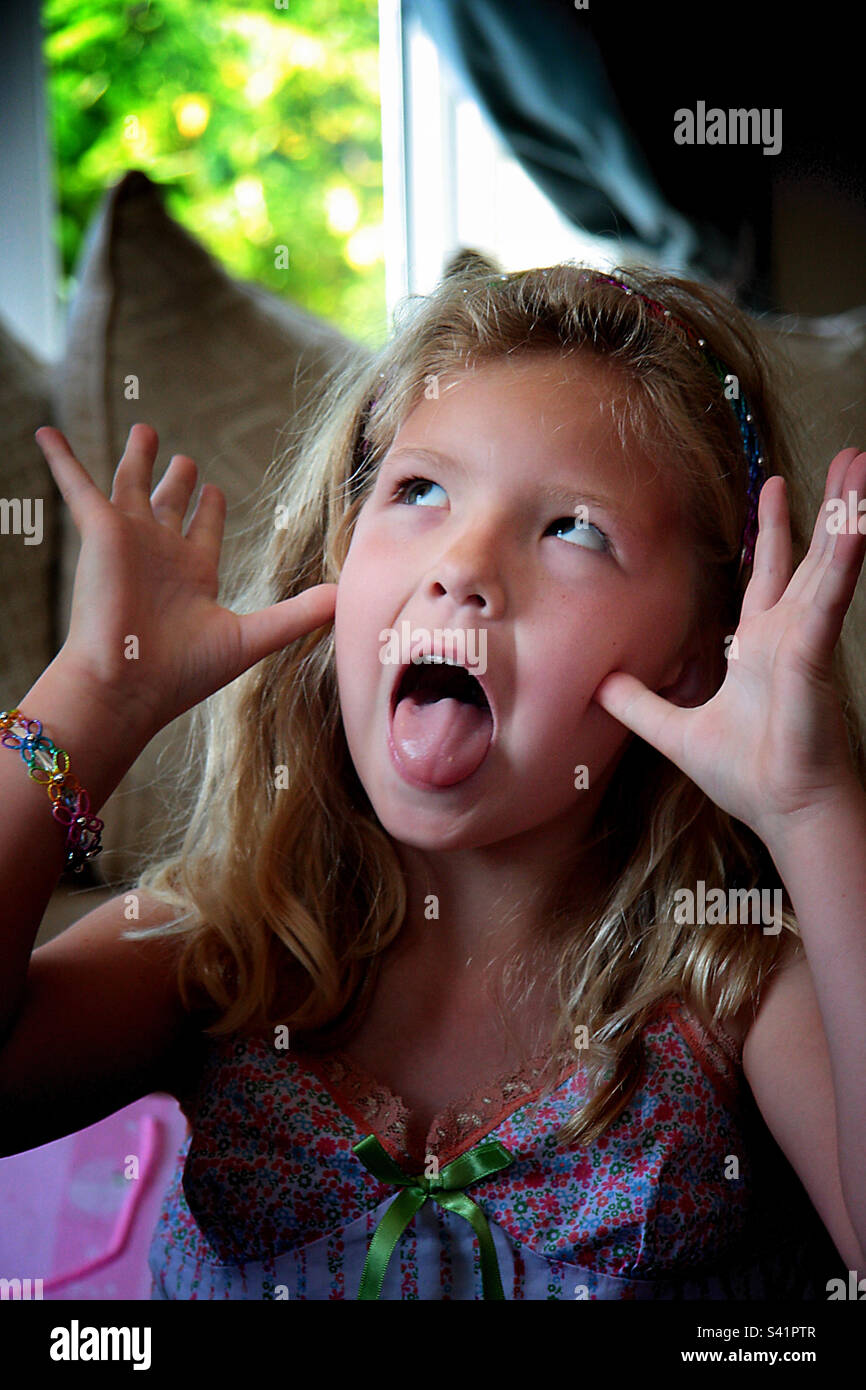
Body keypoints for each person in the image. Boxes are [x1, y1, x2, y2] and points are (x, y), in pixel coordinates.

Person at [4, 260, 865, 1300]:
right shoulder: (223, 941)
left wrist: (813, 809)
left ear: (696, 648)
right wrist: (93, 696)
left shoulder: (735, 981)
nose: (460, 564)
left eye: (572, 528)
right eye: (418, 490)